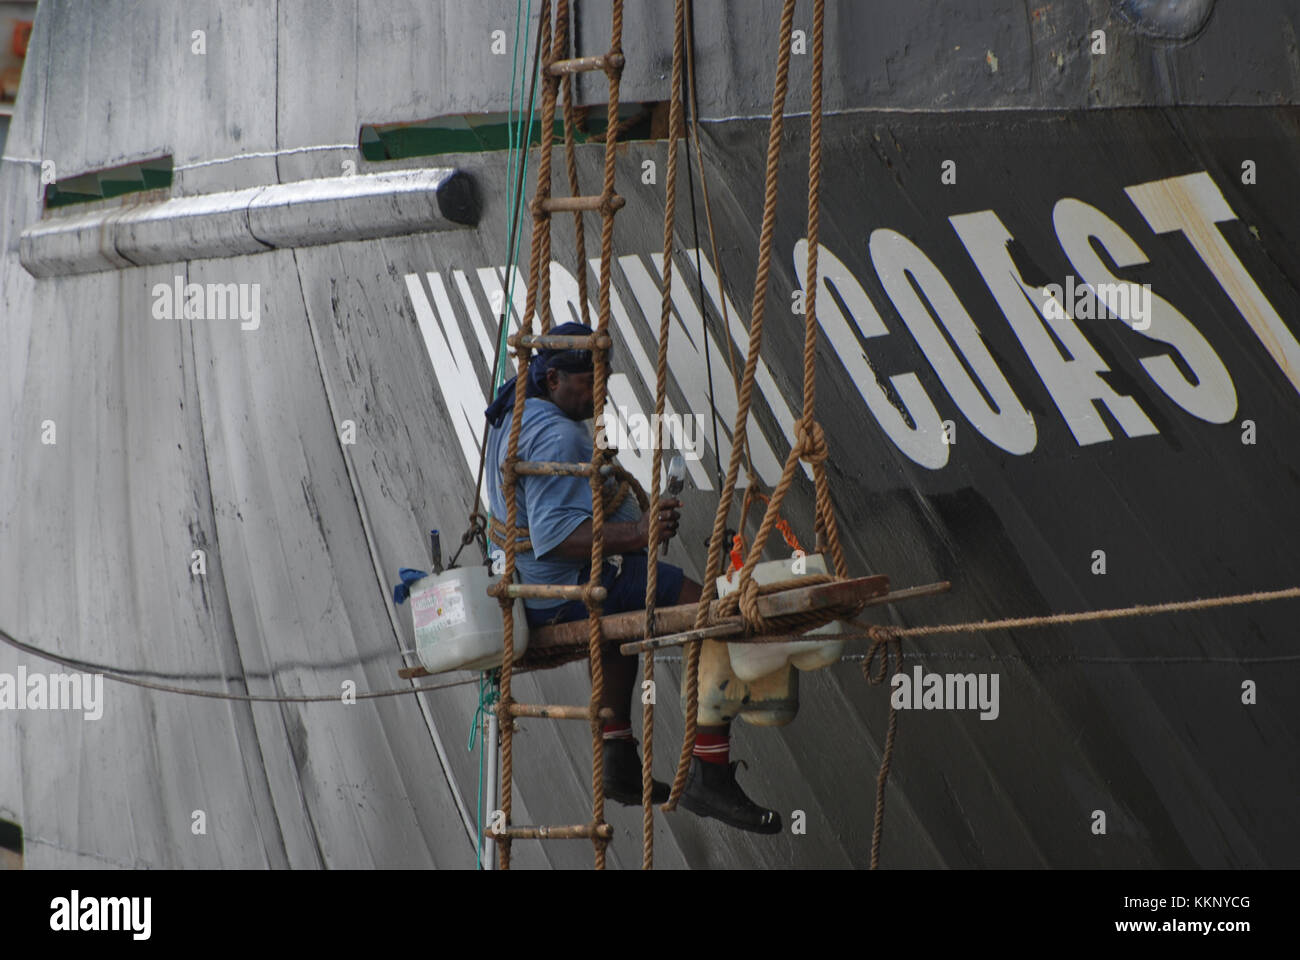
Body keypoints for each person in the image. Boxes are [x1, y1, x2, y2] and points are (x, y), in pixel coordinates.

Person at [484, 321, 780, 833]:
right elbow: (557, 537)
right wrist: (640, 531)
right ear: (552, 378)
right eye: (588, 383)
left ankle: (618, 756)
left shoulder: (513, 410)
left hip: (528, 590)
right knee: (706, 614)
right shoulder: (557, 433)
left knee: (631, 609)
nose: (598, 395)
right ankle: (709, 773)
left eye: (603, 381)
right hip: (559, 593)